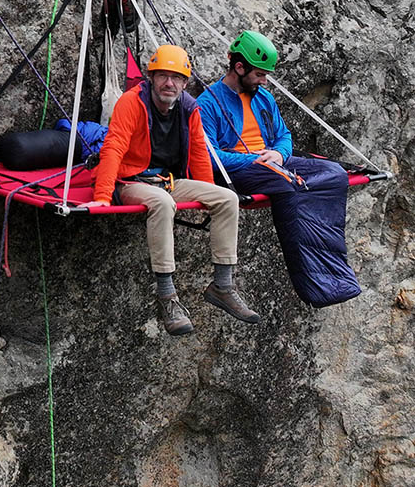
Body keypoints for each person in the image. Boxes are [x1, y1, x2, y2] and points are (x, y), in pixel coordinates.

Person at [86, 44, 259, 336]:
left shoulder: (189, 107)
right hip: (131, 181)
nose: (170, 83)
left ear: (185, 82)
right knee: (162, 202)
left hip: (167, 180)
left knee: (227, 198)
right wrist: (103, 196)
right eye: (163, 76)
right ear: (151, 78)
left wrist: (206, 194)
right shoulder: (132, 102)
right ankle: (167, 297)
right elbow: (113, 148)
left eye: (177, 77)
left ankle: (223, 285)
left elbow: (199, 154)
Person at [196, 31, 359, 306]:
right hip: (238, 169)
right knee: (287, 185)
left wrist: (278, 155)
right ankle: (313, 283)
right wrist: (255, 160)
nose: (264, 81)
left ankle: (335, 277)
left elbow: (283, 136)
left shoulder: (263, 98)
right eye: (259, 74)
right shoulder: (208, 103)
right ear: (239, 67)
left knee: (334, 174)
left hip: (272, 163)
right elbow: (210, 158)